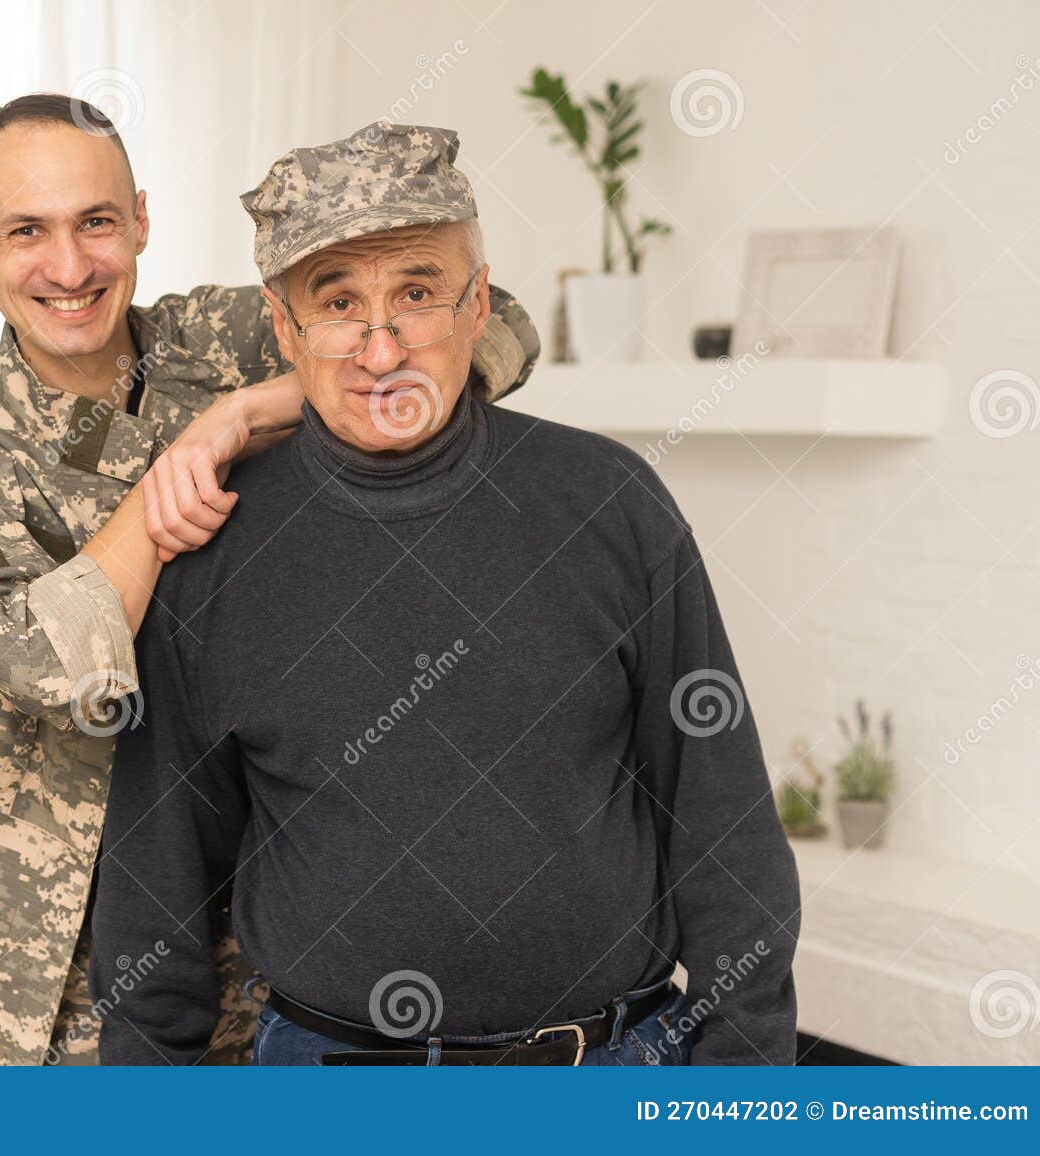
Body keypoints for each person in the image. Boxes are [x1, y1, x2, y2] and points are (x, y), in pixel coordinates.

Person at [92, 120, 801, 1066]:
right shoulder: (209, 549)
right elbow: (158, 879)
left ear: (477, 306)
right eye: (338, 303)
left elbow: (724, 819)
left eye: (417, 294)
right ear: (284, 329)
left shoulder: (610, 504)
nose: (380, 350)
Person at [0, 97, 541, 1065]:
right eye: (27, 232)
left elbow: (496, 331)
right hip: (81, 934)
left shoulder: (224, 339)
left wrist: (243, 409)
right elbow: (49, 665)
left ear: (140, 219)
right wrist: (170, 480)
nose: (69, 268)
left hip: (293, 879)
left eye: (95, 222)